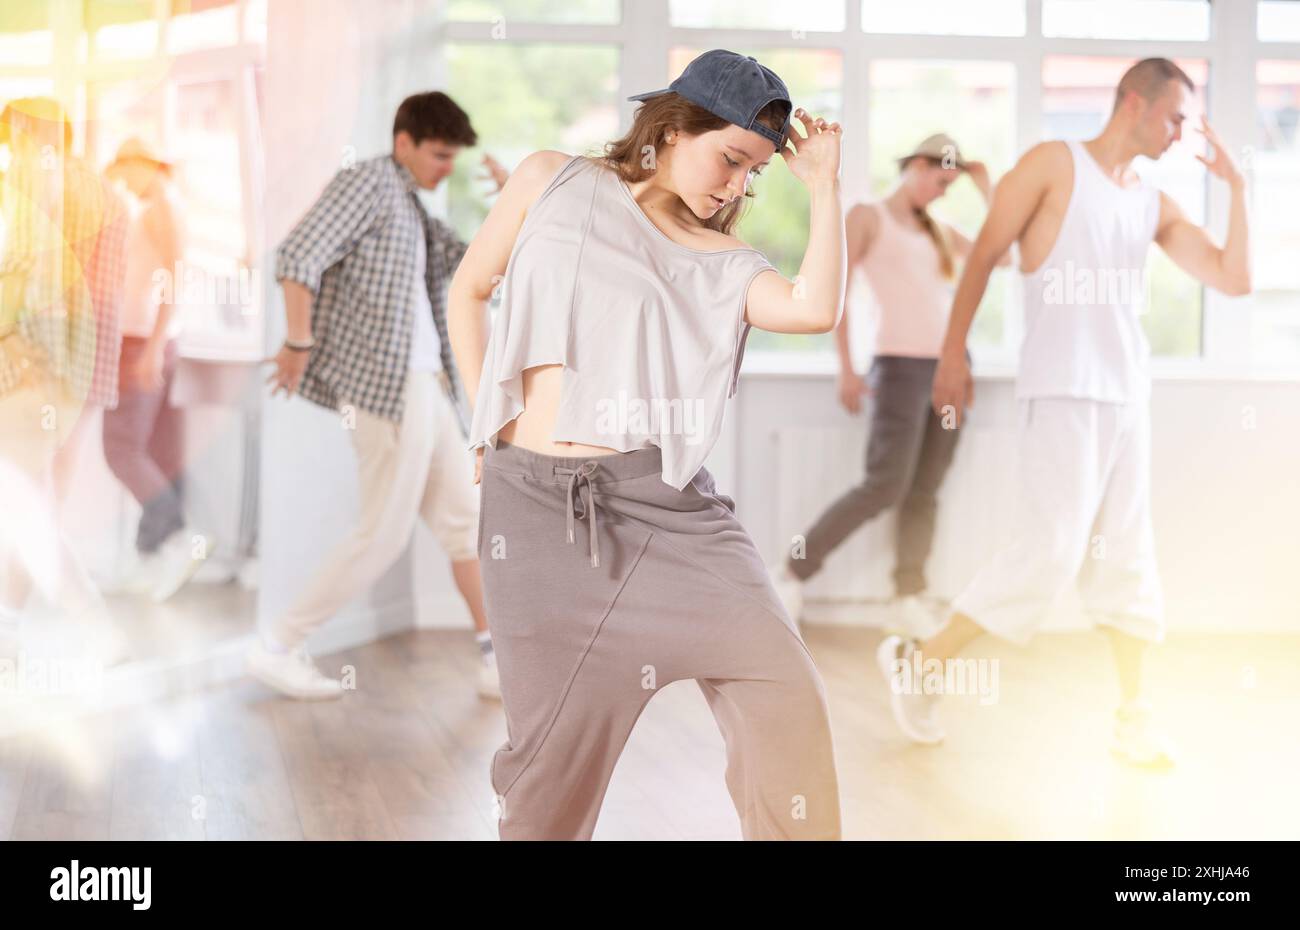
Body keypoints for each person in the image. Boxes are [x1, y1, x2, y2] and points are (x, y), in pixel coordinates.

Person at [450, 49, 845, 840]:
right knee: (544, 781)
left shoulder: (722, 262)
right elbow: (469, 288)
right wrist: (483, 425)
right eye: (730, 159)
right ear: (670, 128)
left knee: (785, 689)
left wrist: (826, 187)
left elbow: (813, 310)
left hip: (666, 513)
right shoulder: (551, 181)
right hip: (532, 515)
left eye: (754, 175)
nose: (735, 187)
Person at [879, 59, 1251, 768]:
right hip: (1059, 391)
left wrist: (1237, 188)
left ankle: (1133, 715)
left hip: (1126, 397)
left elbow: (1234, 280)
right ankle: (921, 664)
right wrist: (953, 355)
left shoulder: (1150, 201)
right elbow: (987, 253)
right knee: (1046, 552)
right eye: (1175, 117)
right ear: (1136, 102)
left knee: (1130, 559)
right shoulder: (1053, 164)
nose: (1180, 134)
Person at [255, 92, 505, 700]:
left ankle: (496, 659)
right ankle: (277, 645)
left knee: (465, 522)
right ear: (404, 144)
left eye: (453, 157)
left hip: (428, 386)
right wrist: (296, 340)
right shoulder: (368, 181)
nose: (447, 167)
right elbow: (297, 254)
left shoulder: (411, 209)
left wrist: (515, 202)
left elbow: (476, 263)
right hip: (390, 390)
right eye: (440, 154)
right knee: (383, 534)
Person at [772, 133, 1008, 638]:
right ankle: (791, 574)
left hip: (951, 369)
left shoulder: (942, 230)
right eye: (942, 181)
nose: (944, 192)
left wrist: (987, 188)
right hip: (898, 369)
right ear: (917, 165)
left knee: (925, 490)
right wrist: (847, 368)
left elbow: (1005, 258)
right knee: (884, 486)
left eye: (951, 185)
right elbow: (836, 290)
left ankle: (908, 594)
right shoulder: (867, 218)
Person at [0, 97, 129, 666]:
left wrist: (11, 342)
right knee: (35, 505)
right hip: (80, 373)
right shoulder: (105, 194)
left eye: (12, 141)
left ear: (29, 136)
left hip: (34, 366)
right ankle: (25, 628)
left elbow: (30, 277)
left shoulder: (39, 188)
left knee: (26, 507)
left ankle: (72, 630)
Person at [102, 137, 215, 602]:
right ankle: (149, 555)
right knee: (154, 449)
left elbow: (174, 276)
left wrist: (150, 349)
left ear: (140, 164)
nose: (123, 183)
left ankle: (177, 539)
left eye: (124, 172)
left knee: (120, 447)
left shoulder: (163, 208)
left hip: (145, 341)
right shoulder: (158, 207)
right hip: (150, 339)